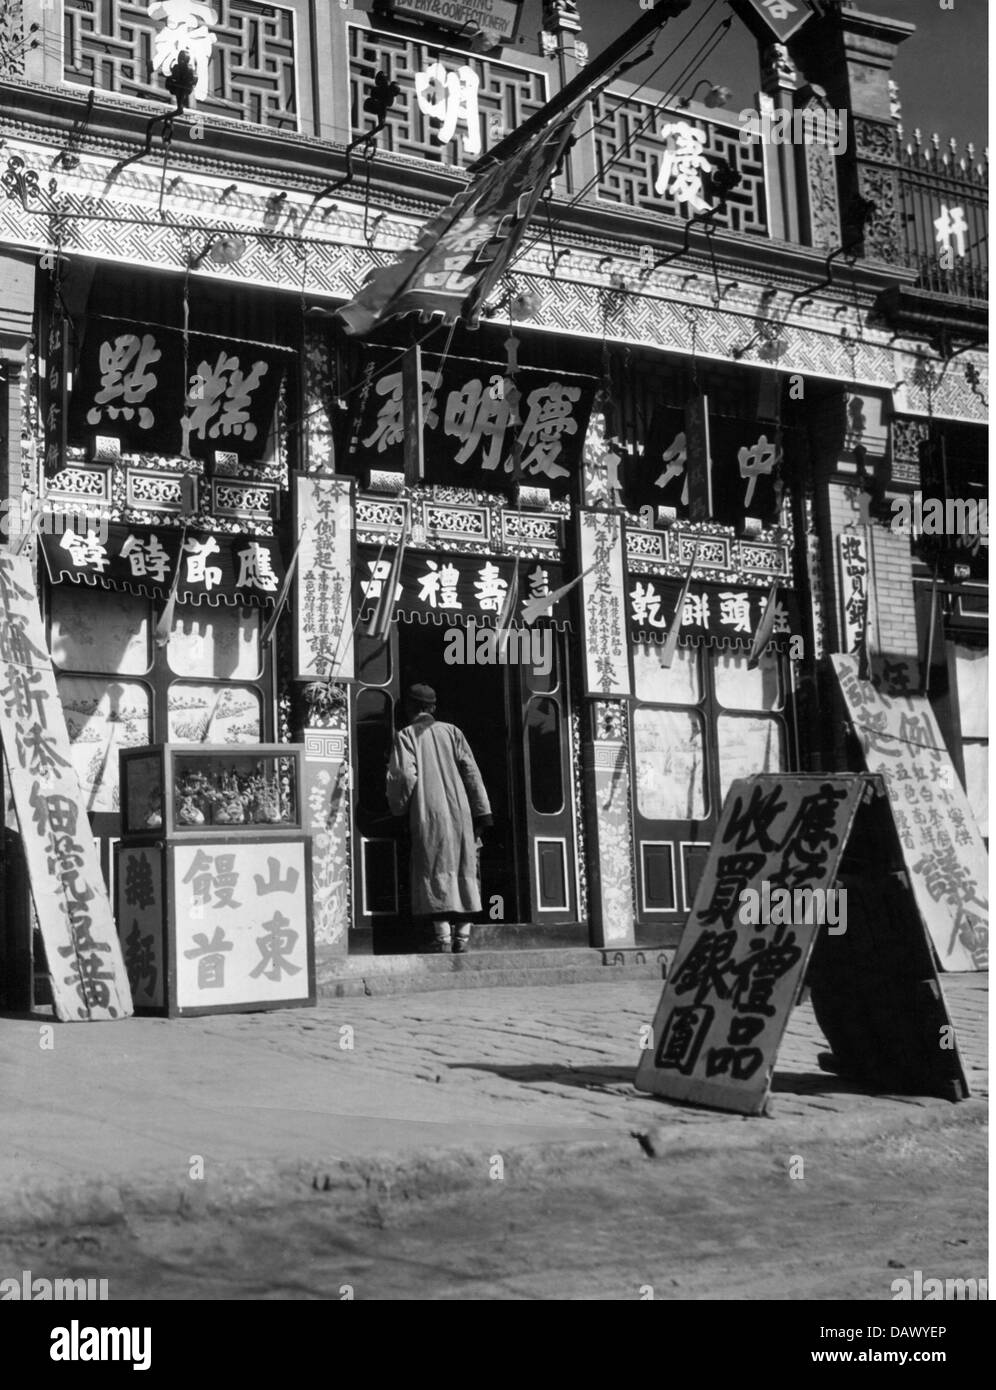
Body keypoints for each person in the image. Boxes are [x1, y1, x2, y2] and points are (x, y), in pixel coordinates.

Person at [386, 683, 492, 953]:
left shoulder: (407, 735)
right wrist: (483, 812)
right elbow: (472, 772)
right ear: (433, 707)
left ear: (409, 708)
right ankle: (463, 937)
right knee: (464, 867)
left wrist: (398, 808)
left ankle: (443, 937)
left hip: (428, 812)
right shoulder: (453, 732)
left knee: (434, 868)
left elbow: (404, 776)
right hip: (460, 812)